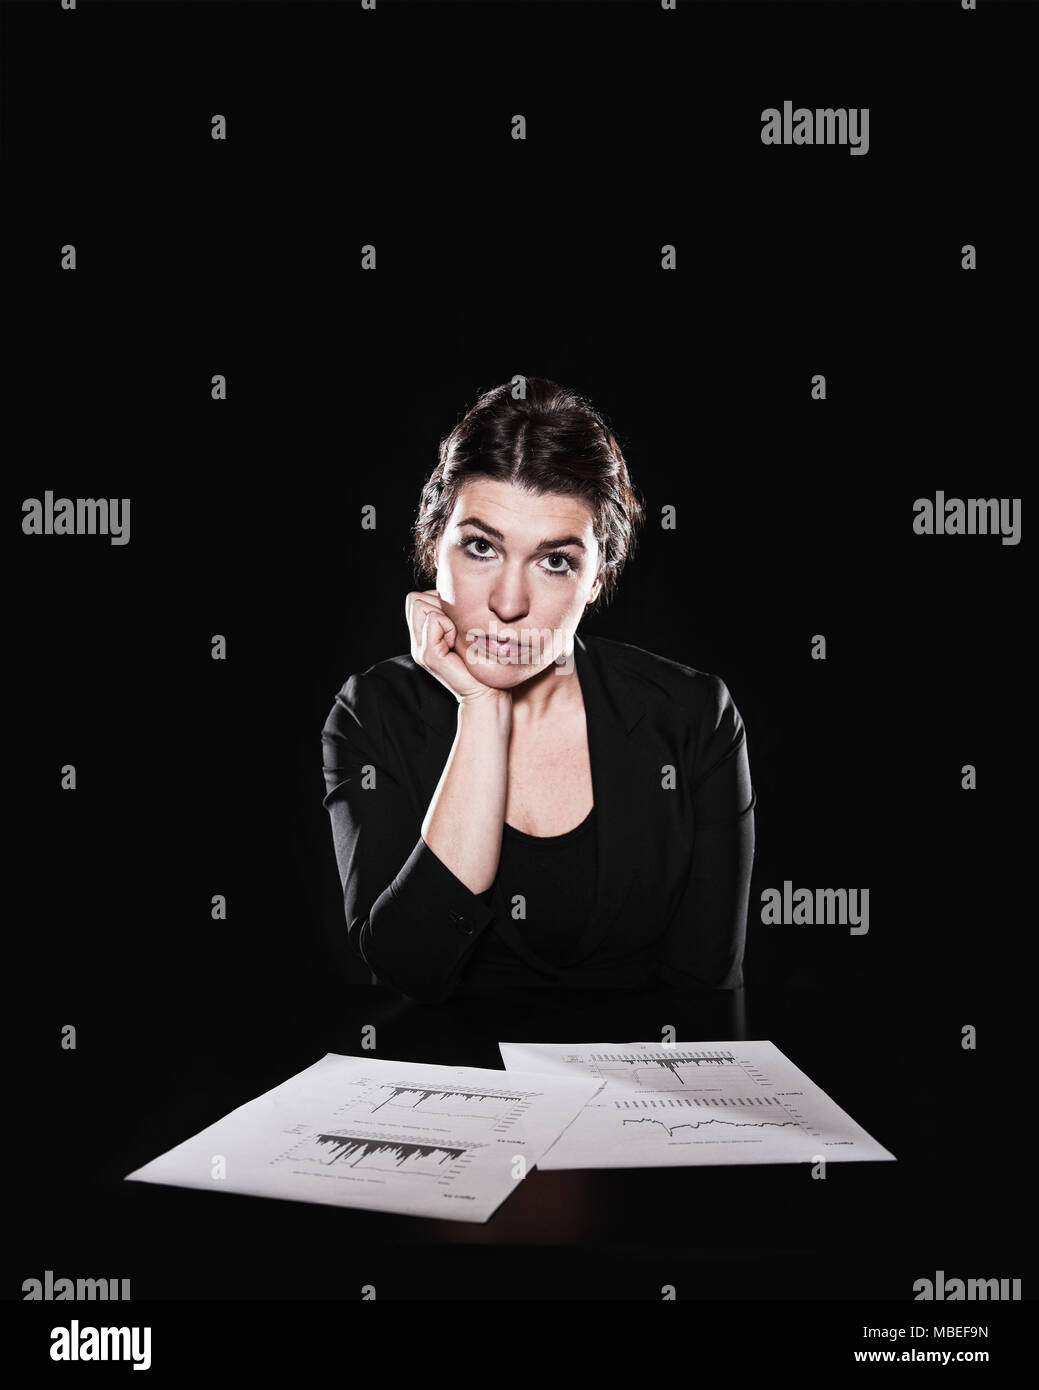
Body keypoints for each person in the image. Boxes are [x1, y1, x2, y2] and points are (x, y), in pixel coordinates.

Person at [321, 378, 756, 1005]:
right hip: (450, 1092)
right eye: (480, 548)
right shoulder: (373, 712)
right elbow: (406, 969)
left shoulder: (692, 717)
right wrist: (481, 707)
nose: (508, 603)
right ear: (432, 544)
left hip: (639, 1097)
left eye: (555, 561)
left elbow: (709, 997)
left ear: (597, 575)